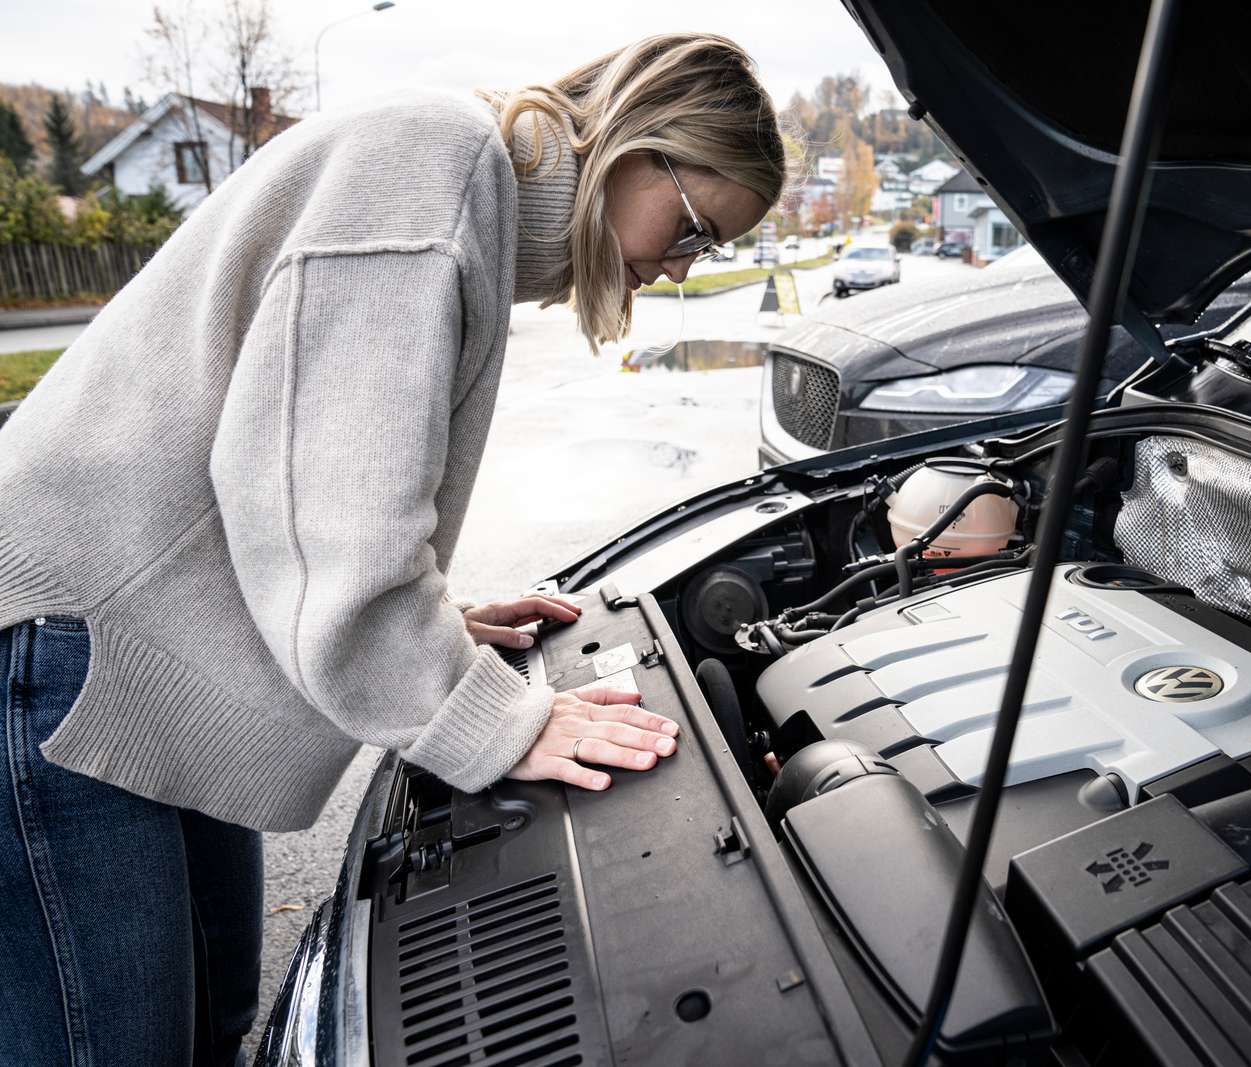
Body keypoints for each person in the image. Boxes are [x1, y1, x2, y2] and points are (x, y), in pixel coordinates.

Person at [0, 32, 792, 1065]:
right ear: (637, 136)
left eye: (711, 248)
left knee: (214, 1024)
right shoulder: (436, 160)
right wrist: (485, 714)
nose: (682, 264)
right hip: (71, 653)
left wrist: (438, 627)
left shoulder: (470, 196)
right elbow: (327, 521)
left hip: (150, 655)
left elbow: (281, 474)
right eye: (691, 225)